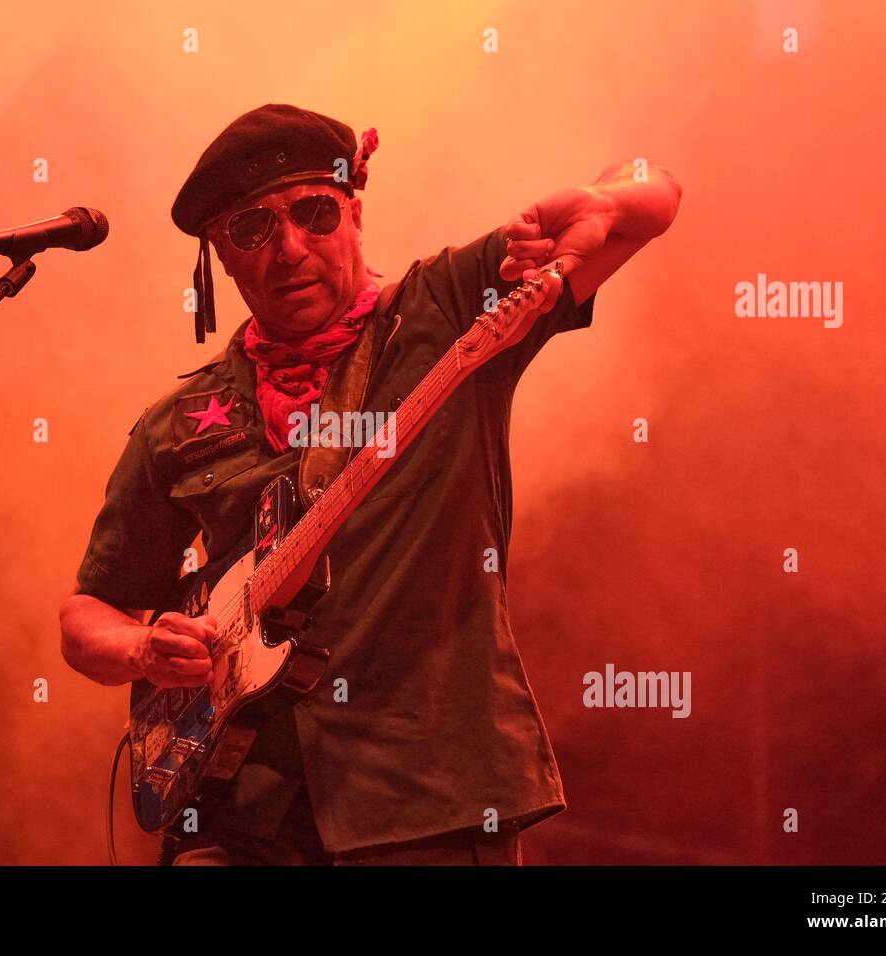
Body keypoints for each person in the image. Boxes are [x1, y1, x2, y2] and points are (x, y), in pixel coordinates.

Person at [60, 103, 681, 865]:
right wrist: (141, 648)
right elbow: (89, 610)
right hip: (236, 809)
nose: (290, 248)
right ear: (220, 255)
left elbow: (657, 192)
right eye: (252, 229)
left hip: (427, 798)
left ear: (354, 213)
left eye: (315, 213)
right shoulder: (178, 420)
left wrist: (605, 202)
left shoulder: (450, 305)